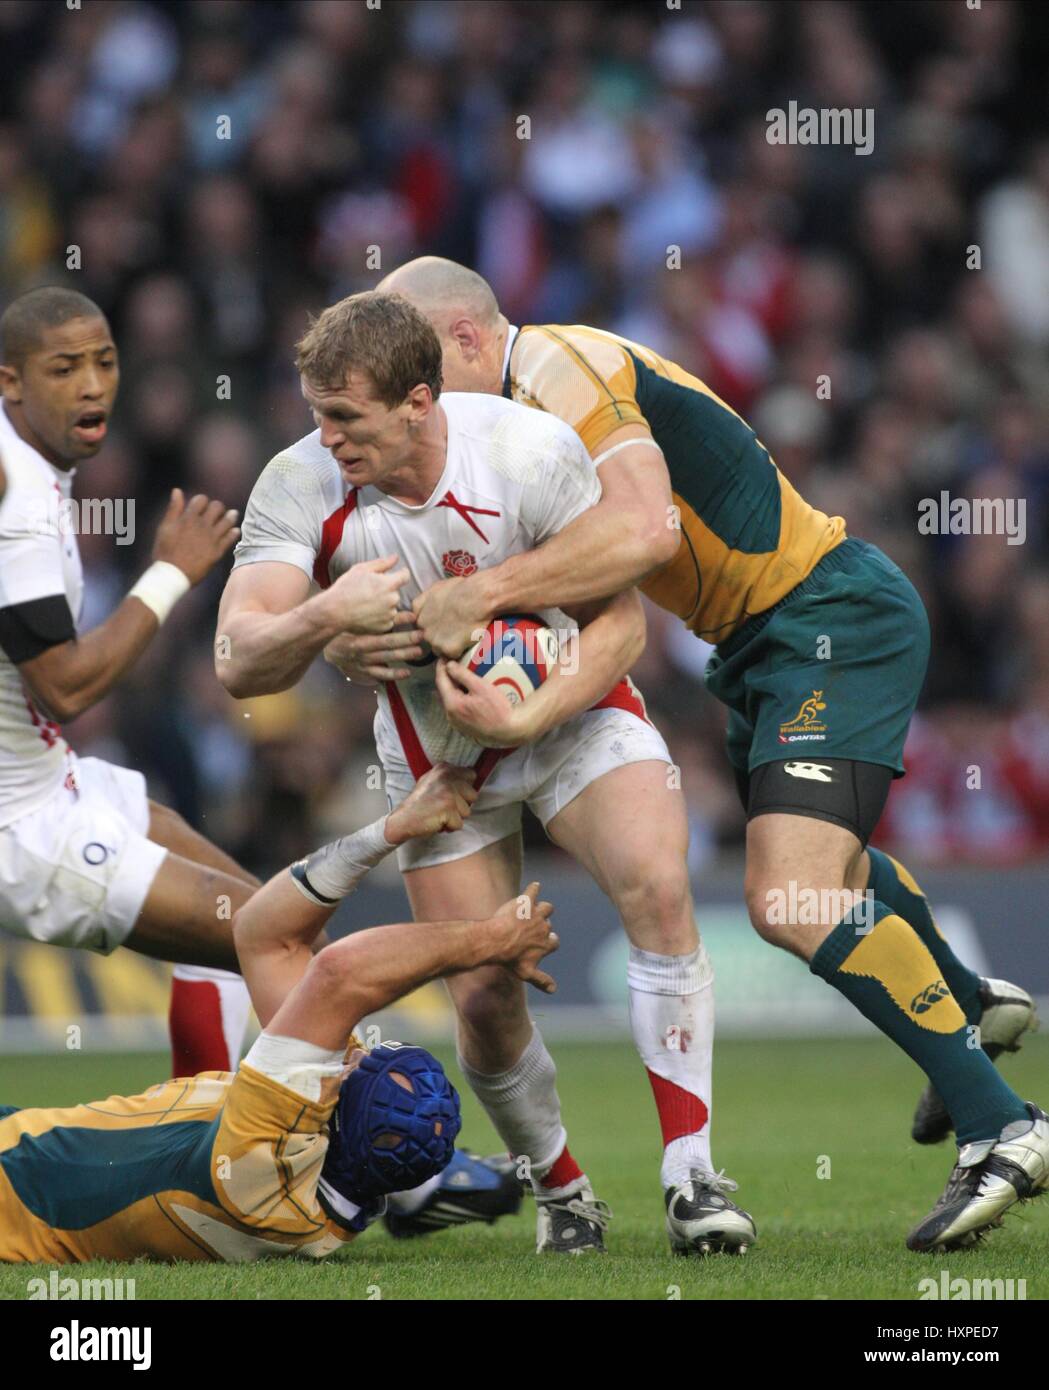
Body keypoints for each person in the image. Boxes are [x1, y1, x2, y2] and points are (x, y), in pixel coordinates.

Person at [377, 257, 1048, 1253]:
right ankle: (961, 997)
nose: (414, 411)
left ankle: (1003, 1126)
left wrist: (477, 599)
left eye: (418, 381)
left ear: (468, 340)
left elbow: (642, 531)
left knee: (789, 896)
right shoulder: (508, 429)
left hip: (825, 617)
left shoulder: (563, 366)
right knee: (835, 876)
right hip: (757, 649)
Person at [215, 291, 756, 1257]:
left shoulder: (524, 449)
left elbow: (622, 622)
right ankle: (561, 1190)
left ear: (419, 401)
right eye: (315, 413)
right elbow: (238, 656)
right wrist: (322, 618)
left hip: (573, 711)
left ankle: (690, 1175)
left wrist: (535, 709)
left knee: (659, 885)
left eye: (347, 416)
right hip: (437, 761)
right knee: (482, 991)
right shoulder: (297, 484)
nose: (325, 436)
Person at [0, 764, 535, 1263]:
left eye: (355, 1073)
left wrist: (488, 937)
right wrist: (389, 832)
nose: (350, 1059)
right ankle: (423, 1195)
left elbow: (337, 973)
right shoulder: (329, 1169)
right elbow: (262, 934)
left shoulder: (266, 1157)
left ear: (338, 1122)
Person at [0, 285, 258, 1076]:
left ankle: (196, 1146)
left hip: (57, 783)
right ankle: (408, 1172)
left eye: (105, 362)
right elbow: (65, 689)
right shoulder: (21, 505)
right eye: (64, 367)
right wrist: (171, 573)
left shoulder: (36, 473)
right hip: (24, 828)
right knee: (264, 931)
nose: (91, 384)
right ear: (9, 382)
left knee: (258, 915)